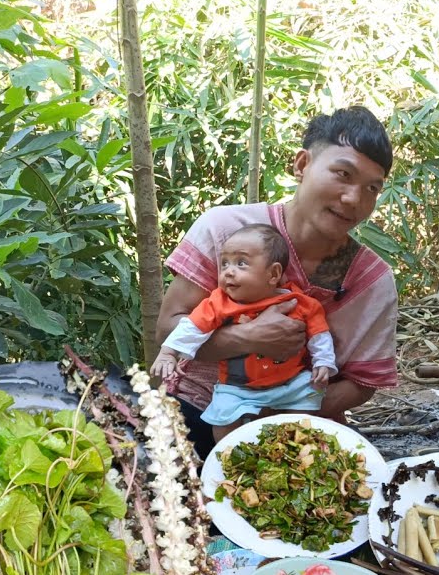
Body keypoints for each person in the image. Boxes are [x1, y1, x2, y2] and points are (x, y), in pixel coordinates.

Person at [157, 106, 399, 457]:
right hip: (198, 410)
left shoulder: (371, 281)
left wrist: (274, 422)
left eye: (372, 188)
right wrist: (248, 337)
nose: (354, 199)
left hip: (302, 424)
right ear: (302, 165)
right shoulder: (225, 230)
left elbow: (362, 385)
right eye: (343, 174)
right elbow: (167, 329)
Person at [150, 224, 337, 440]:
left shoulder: (299, 302)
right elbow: (192, 327)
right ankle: (227, 456)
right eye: (224, 263)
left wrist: (324, 362)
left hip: (289, 383)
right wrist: (168, 352)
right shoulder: (219, 303)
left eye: (241, 263)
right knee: (222, 419)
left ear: (274, 273)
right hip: (238, 388)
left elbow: (319, 333)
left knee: (307, 400)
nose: (229, 271)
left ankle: (294, 449)